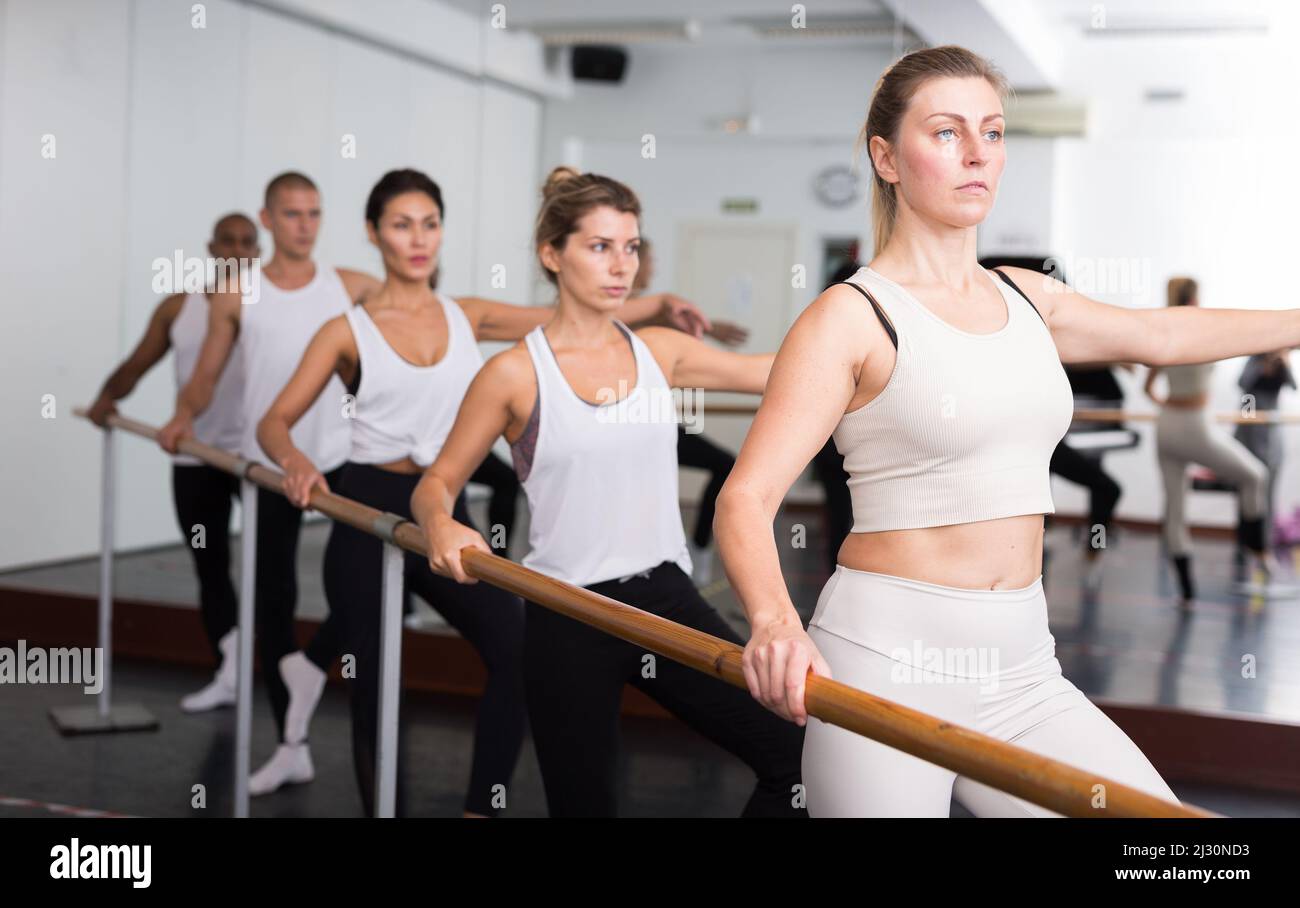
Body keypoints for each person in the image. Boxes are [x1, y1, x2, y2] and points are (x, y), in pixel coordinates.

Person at [707, 46, 1284, 816]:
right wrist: (776, 622)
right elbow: (746, 497)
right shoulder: (851, 317)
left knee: (1173, 854)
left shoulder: (1029, 299)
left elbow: (1164, 336)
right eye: (946, 132)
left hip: (1023, 667)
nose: (978, 152)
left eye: (994, 131)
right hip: (886, 663)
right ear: (886, 157)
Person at [411, 166, 807, 817]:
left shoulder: (660, 351)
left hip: (665, 598)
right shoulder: (514, 374)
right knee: (584, 805)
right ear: (552, 254)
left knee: (792, 761)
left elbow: (778, 373)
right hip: (567, 610)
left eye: (630, 246)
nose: (622, 264)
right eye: (600, 246)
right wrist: (442, 524)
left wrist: (873, 324)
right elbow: (436, 482)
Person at [158, 171, 381, 794]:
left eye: (314, 213)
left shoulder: (354, 288)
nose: (304, 225)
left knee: (362, 588)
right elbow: (205, 377)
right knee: (273, 605)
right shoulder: (237, 292)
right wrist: (182, 417)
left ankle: (315, 670)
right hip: (270, 463)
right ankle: (292, 744)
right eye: (291, 214)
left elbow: (419, 329)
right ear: (268, 219)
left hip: (340, 458)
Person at [88, 212, 258, 712]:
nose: (237, 250)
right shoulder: (179, 308)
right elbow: (139, 363)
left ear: (258, 252)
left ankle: (276, 669)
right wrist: (105, 397)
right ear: (212, 247)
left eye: (248, 242)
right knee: (210, 563)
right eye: (228, 241)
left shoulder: (274, 309)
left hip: (255, 457)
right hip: (194, 453)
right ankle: (229, 665)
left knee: (270, 570)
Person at [1146, 277, 1293, 604]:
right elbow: (1237, 338)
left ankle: (1186, 592)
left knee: (1174, 508)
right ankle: (1260, 555)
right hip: (1194, 426)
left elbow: (1149, 386)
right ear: (1194, 297)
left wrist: (1168, 405)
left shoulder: (1162, 329)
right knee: (1255, 475)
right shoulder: (1199, 326)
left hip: (1167, 425)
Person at [1231, 348, 1296, 579]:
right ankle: (1243, 545)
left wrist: (1285, 363)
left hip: (1270, 436)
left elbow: (1293, 386)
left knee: (1267, 495)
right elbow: (1243, 387)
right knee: (1246, 494)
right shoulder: (1254, 359)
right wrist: (1261, 367)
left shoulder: (1281, 364)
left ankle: (1264, 547)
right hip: (1249, 433)